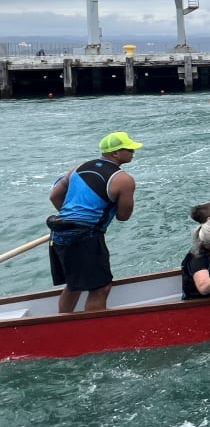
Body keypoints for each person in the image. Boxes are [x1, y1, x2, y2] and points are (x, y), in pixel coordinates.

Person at [47, 131, 141, 312]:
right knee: (100, 288)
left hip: (59, 231)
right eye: (129, 149)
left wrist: (71, 219)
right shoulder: (123, 179)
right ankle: (94, 326)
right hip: (86, 236)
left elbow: (54, 196)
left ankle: (63, 321)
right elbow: (123, 216)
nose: (133, 152)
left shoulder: (78, 168)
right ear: (115, 153)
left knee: (74, 285)